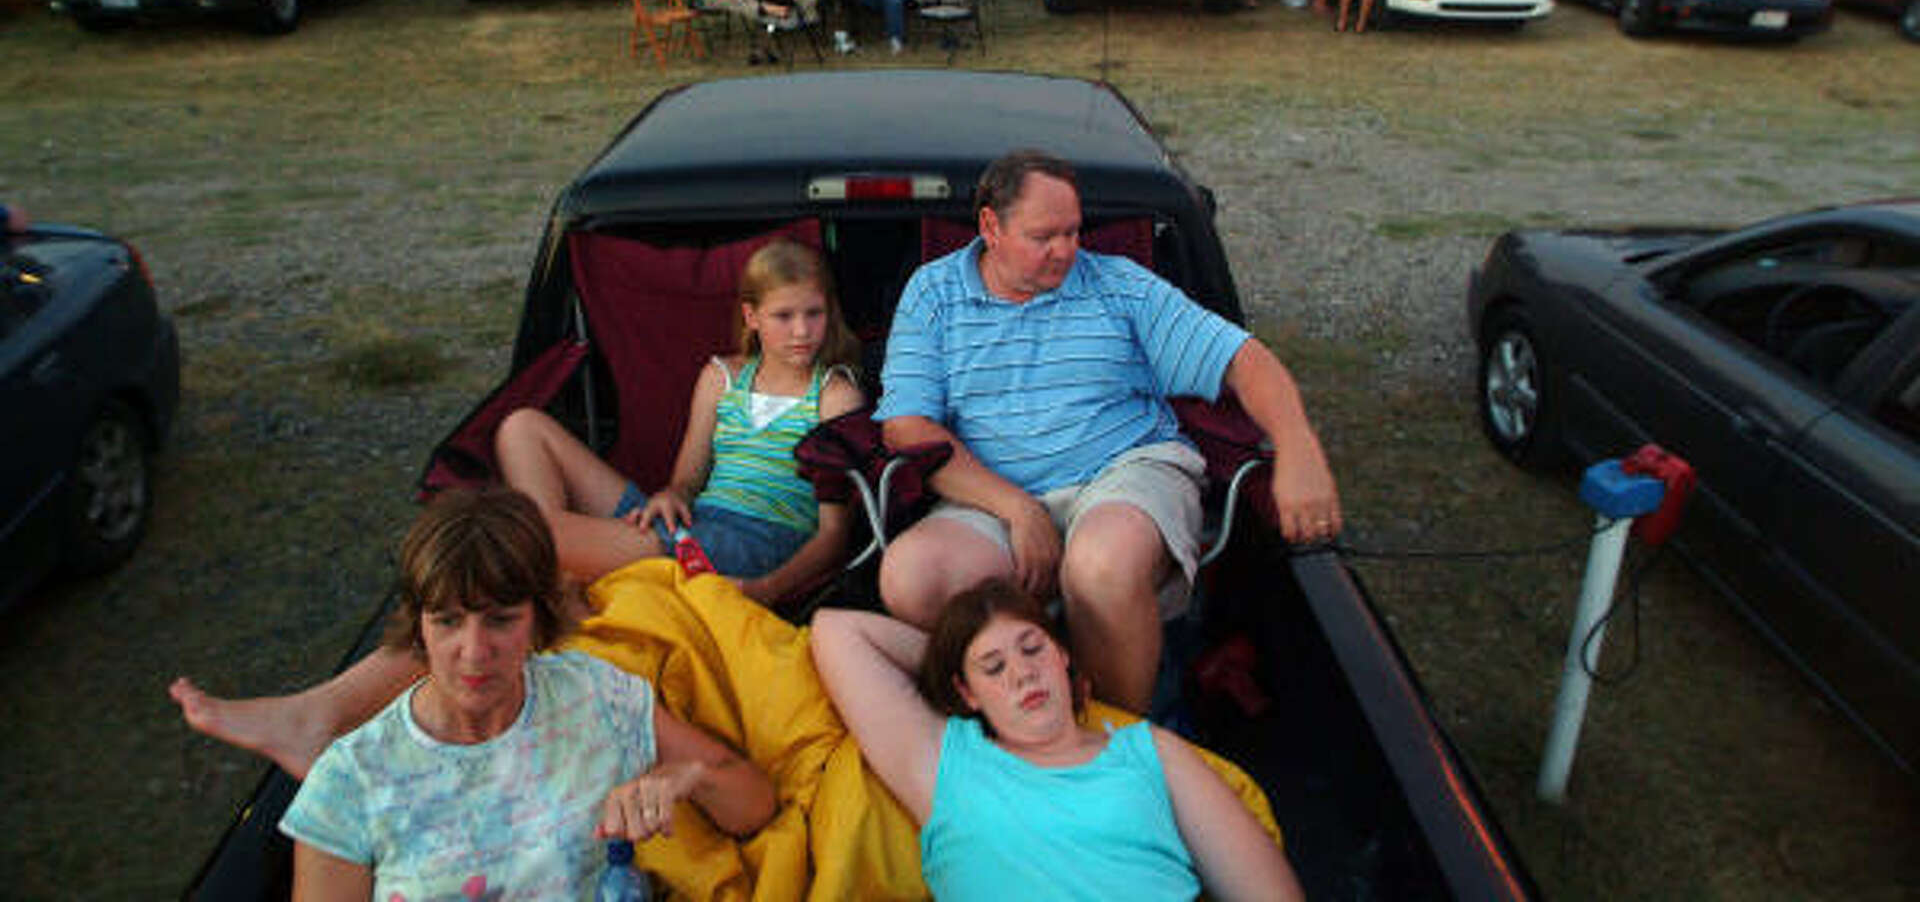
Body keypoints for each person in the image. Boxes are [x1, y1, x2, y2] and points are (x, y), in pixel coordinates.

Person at [873, 150, 1342, 713]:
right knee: (910, 578)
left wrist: (1298, 449)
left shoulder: (1119, 286)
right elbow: (906, 427)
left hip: (1125, 470)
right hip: (994, 495)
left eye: (1074, 231)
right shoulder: (933, 293)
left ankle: (1115, 739)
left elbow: (1245, 359)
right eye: (1044, 236)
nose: (1067, 250)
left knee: (1099, 567)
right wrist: (1019, 511)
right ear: (990, 227)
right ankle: (1034, 696)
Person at [188, 487, 776, 898]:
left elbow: (755, 806)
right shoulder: (351, 781)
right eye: (447, 621)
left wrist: (687, 777)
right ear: (417, 624)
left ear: (538, 619)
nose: (473, 651)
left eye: (499, 620)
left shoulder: (597, 698)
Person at [811, 580, 1304, 901]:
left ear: (1063, 657)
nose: (1023, 674)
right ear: (965, 693)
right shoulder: (943, 762)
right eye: (994, 667)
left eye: (1033, 650)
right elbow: (836, 631)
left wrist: (981, 677)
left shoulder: (1148, 752)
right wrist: (953, 673)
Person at [494, 237, 863, 604]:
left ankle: (564, 587)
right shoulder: (722, 377)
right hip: (694, 524)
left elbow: (833, 534)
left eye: (814, 313)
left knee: (534, 534)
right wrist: (673, 494)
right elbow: (686, 480)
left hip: (758, 546)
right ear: (752, 317)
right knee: (522, 427)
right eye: (784, 316)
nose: (801, 331)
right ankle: (565, 587)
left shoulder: (835, 398)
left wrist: (766, 589)